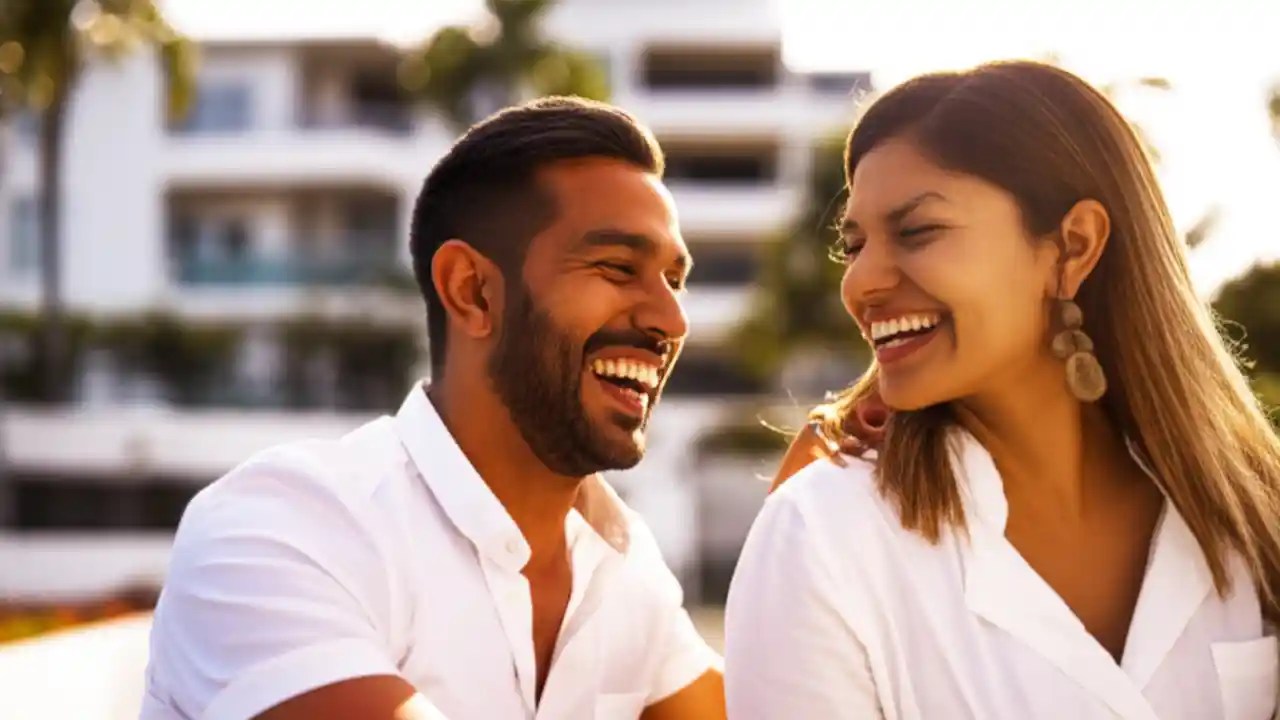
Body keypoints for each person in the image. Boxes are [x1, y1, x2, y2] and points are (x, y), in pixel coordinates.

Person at [725, 61, 1280, 720]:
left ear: (1073, 247)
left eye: (917, 231)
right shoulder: (822, 534)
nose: (861, 283)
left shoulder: (1250, 514)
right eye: (854, 246)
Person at [142, 97, 725, 720]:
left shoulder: (624, 564)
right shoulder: (284, 525)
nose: (672, 320)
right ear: (471, 291)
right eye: (618, 267)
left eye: (674, 280)